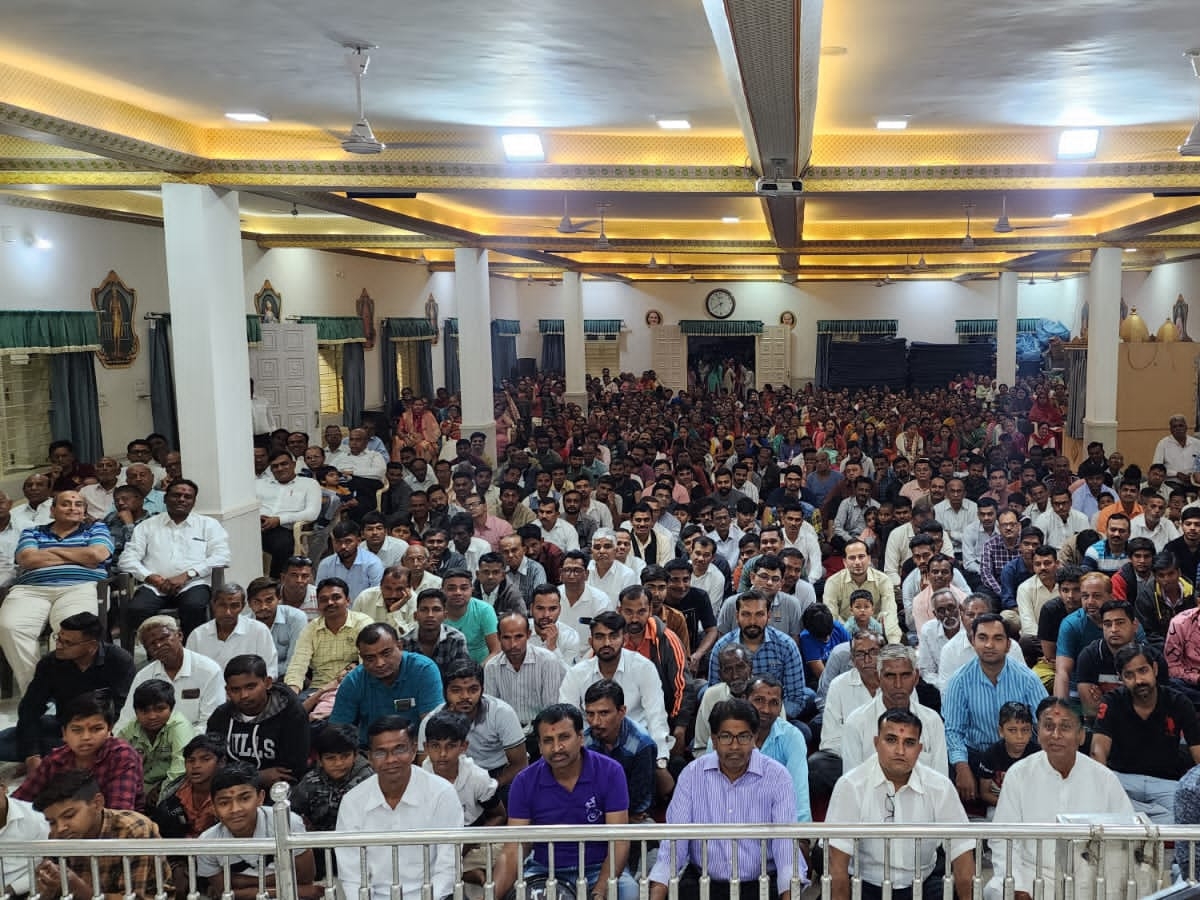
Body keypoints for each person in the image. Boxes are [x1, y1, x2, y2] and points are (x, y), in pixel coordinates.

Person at [649, 699, 804, 900]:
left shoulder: (777, 776)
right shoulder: (692, 774)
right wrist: (657, 894)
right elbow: (674, 843)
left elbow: (785, 848)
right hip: (703, 882)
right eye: (726, 737)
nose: (734, 746)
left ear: (755, 738)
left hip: (761, 884)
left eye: (743, 737)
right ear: (713, 739)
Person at [988, 698, 1134, 900]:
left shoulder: (1104, 778)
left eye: (1065, 727)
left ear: (1081, 735)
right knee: (995, 890)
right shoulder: (1019, 774)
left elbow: (1126, 837)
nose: (1055, 735)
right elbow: (1002, 839)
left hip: (1090, 879)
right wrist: (1018, 887)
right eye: (1048, 726)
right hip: (1033, 875)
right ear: (1039, 733)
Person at [827, 709, 975, 900]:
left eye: (909, 743)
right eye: (891, 740)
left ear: (920, 749)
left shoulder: (940, 787)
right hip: (865, 884)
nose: (900, 751)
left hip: (924, 882)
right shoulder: (851, 786)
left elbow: (962, 852)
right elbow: (837, 867)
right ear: (876, 743)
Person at [494, 703, 639, 900]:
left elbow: (619, 842)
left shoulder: (610, 771)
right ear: (539, 746)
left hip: (599, 868)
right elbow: (514, 849)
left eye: (564, 737)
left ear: (580, 738)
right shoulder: (524, 780)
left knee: (629, 893)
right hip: (544, 871)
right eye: (548, 740)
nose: (556, 748)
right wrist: (490, 896)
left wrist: (600, 892)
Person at [337, 714, 465, 900]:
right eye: (381, 753)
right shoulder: (353, 801)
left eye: (399, 749)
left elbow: (447, 867)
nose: (391, 760)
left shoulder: (441, 794)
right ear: (370, 757)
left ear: (414, 750)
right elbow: (352, 876)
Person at [0, 490, 112, 694]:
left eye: (78, 504)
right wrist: (78, 555)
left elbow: (95, 555)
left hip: (79, 587)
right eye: (66, 504)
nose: (73, 508)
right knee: (10, 627)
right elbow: (28, 560)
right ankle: (37, 690)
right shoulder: (32, 532)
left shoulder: (96, 529)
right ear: (52, 511)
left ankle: (64, 692)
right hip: (31, 589)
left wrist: (51, 551)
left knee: (70, 632)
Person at [0, 610, 134, 768]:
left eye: (67, 643)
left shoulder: (119, 660)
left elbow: (121, 710)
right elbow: (30, 708)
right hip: (64, 727)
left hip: (101, 733)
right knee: (9, 741)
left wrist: (93, 737)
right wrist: (32, 755)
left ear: (91, 645)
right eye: (58, 639)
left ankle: (63, 757)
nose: (59, 646)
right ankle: (59, 756)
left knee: (113, 751)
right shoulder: (50, 663)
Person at [1091, 642, 1200, 823]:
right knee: (1103, 806)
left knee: (1187, 814)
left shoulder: (1178, 702)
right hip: (1123, 780)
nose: (1139, 680)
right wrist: (1103, 788)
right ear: (1121, 678)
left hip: (1167, 784)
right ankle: (1149, 815)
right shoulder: (1112, 702)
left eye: (1143, 671)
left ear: (1155, 669)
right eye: (1129, 675)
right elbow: (1098, 751)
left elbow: (1197, 752)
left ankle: (1143, 815)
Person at [944, 613, 1048, 805]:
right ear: (972, 641)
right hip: (976, 758)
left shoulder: (1027, 679)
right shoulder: (959, 681)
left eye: (997, 638)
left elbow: (1044, 723)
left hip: (1020, 756)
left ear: (1008, 645)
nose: (989, 645)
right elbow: (953, 731)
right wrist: (962, 768)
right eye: (983, 638)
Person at [559, 611, 672, 763]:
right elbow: (567, 720)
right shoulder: (577, 673)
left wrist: (660, 759)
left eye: (613, 636)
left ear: (624, 639)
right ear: (591, 641)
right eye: (600, 637)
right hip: (591, 747)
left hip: (636, 747)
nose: (607, 643)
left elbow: (656, 716)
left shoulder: (643, 667)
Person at [32, 771, 161, 900]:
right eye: (52, 822)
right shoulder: (58, 836)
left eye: (69, 816)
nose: (60, 828)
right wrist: (48, 886)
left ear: (97, 803)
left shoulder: (133, 830)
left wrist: (77, 888)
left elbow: (134, 898)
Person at [195, 767, 320, 900]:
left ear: (260, 798)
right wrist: (285, 886)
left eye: (244, 799)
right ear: (213, 807)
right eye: (224, 803)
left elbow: (305, 878)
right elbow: (225, 894)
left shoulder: (288, 822)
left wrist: (241, 882)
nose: (235, 809)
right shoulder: (207, 841)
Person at [15, 691, 144, 812]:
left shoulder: (121, 755)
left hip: (114, 830)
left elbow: (119, 814)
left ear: (109, 730)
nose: (86, 737)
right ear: (64, 734)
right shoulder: (55, 760)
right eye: (77, 730)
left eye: (96, 729)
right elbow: (19, 801)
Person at [421, 710, 506, 882]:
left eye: (450, 746)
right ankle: (466, 874)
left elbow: (499, 815)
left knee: (505, 852)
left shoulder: (477, 778)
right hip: (437, 841)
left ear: (463, 747)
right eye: (435, 746)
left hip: (473, 838)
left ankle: (463, 873)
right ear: (426, 747)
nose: (443, 754)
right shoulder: (421, 776)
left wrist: (469, 841)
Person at [417, 661, 528, 790]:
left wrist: (490, 786)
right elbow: (424, 767)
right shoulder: (431, 721)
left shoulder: (501, 713)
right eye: (456, 690)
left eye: (473, 689)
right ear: (444, 692)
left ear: (482, 690)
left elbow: (520, 764)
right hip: (447, 777)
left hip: (496, 775)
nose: (465, 697)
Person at [330, 622, 444, 746]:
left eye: (386, 653)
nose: (380, 663)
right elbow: (338, 732)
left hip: (415, 749)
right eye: (370, 658)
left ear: (400, 647)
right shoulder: (353, 681)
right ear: (361, 658)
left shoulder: (423, 669)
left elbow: (431, 725)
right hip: (369, 753)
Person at [205, 654, 309, 788]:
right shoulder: (220, 717)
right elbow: (212, 764)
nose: (244, 695)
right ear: (227, 691)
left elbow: (291, 772)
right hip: (230, 789)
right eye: (235, 689)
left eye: (250, 687)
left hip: (279, 792)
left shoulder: (292, 715)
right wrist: (258, 777)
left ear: (267, 683)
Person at [841, 644, 948, 775]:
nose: (898, 684)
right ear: (877, 678)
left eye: (905, 675)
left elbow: (940, 781)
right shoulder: (856, 723)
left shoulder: (932, 721)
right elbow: (852, 783)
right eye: (890, 676)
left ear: (916, 678)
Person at [118, 615, 225, 733]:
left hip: (196, 743)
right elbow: (127, 719)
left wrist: (181, 742)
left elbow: (211, 722)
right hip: (154, 744)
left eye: (164, 638)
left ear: (179, 635)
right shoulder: (143, 676)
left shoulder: (209, 671)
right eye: (152, 643)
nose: (159, 645)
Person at [583, 679, 657, 820]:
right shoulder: (583, 743)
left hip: (628, 814)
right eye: (590, 714)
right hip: (591, 813)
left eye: (604, 713)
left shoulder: (641, 744)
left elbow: (639, 802)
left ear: (622, 711)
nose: (596, 722)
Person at [284, 577, 373, 693]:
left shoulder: (362, 623)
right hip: (318, 689)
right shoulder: (311, 629)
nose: (330, 603)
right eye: (324, 599)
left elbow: (367, 663)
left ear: (347, 600)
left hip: (355, 686)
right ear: (318, 604)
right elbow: (297, 665)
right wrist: (291, 694)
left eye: (336, 598)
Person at [744, 675, 813, 824]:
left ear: (781, 706)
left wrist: (801, 839)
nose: (766, 710)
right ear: (745, 700)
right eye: (759, 700)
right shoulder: (724, 737)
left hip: (778, 827)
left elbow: (799, 794)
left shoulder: (791, 737)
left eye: (774, 703)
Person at [484, 612, 567, 732]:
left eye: (519, 636)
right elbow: (492, 711)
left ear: (528, 635)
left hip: (541, 731)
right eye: (506, 637)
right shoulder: (491, 666)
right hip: (505, 733)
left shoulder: (547, 661)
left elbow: (551, 709)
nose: (513, 644)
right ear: (498, 637)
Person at [116, 678, 194, 804]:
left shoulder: (179, 727)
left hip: (173, 786)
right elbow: (115, 759)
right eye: (145, 711)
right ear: (136, 712)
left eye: (159, 709)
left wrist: (161, 795)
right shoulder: (131, 728)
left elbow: (180, 771)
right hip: (140, 787)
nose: (152, 716)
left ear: (171, 708)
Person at [290, 723, 373, 838]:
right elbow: (292, 811)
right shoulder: (311, 780)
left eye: (345, 756)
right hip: (318, 844)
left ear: (355, 755)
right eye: (330, 758)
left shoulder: (369, 779)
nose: (339, 763)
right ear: (319, 759)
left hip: (359, 842)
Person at [186, 583, 280, 678]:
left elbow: (270, 671)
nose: (228, 612)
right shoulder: (197, 635)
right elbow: (190, 673)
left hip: (249, 690)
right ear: (213, 605)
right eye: (222, 605)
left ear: (242, 606)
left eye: (234, 606)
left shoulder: (259, 631)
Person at [256, 450, 322, 577]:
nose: (279, 469)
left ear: (293, 464)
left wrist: (279, 519)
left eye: (284, 464)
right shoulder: (259, 484)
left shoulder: (309, 484)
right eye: (275, 466)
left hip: (284, 528)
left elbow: (312, 513)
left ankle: (276, 582)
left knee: (283, 545)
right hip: (256, 525)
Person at [153, 733, 225, 840]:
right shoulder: (172, 794)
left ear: (221, 762)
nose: (196, 766)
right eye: (190, 760)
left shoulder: (231, 792)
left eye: (205, 759)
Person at [977, 701, 1038, 808]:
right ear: (1001, 731)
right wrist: (1010, 806)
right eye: (1012, 730)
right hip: (999, 805)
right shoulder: (990, 755)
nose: (1019, 736)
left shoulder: (1038, 754)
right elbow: (985, 793)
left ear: (1031, 730)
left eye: (1025, 730)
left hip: (1032, 805)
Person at [244, 576, 307, 672]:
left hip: (286, 678)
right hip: (251, 680)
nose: (263, 606)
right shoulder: (243, 625)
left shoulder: (296, 618)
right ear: (249, 603)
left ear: (279, 599)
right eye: (257, 602)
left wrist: (265, 676)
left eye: (269, 601)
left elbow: (295, 663)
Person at [315, 520, 384, 599]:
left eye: (348, 541)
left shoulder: (372, 563)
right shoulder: (326, 564)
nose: (343, 546)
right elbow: (320, 594)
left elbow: (377, 596)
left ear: (358, 541)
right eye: (338, 542)